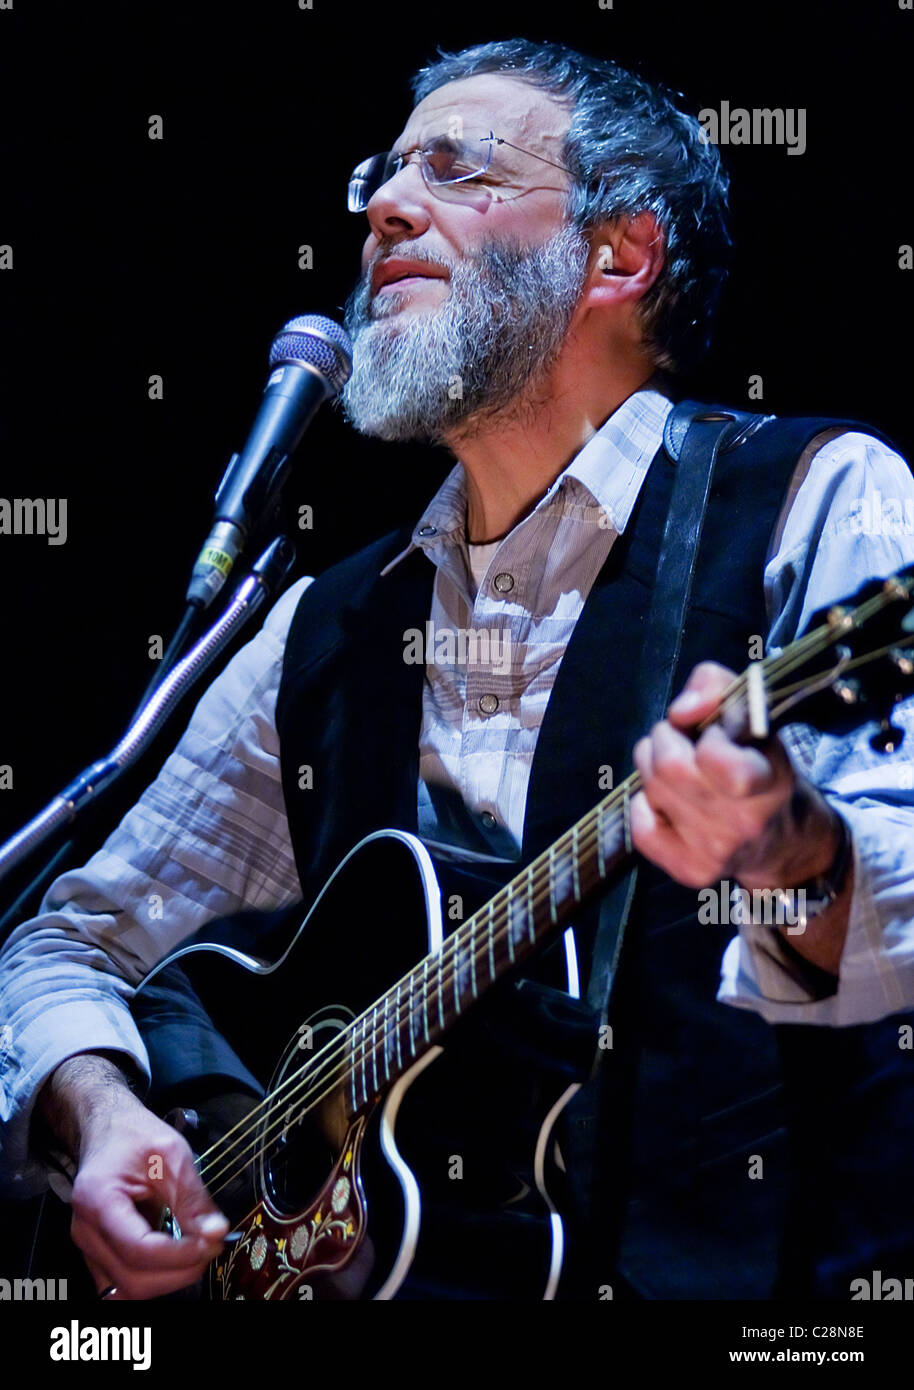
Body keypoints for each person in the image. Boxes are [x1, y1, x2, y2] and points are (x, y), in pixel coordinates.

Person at [2, 38, 914, 1302]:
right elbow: (71, 946)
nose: (383, 204)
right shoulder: (322, 623)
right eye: (382, 171)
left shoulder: (815, 499)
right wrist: (95, 1112)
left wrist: (789, 853)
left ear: (619, 255)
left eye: (456, 166)